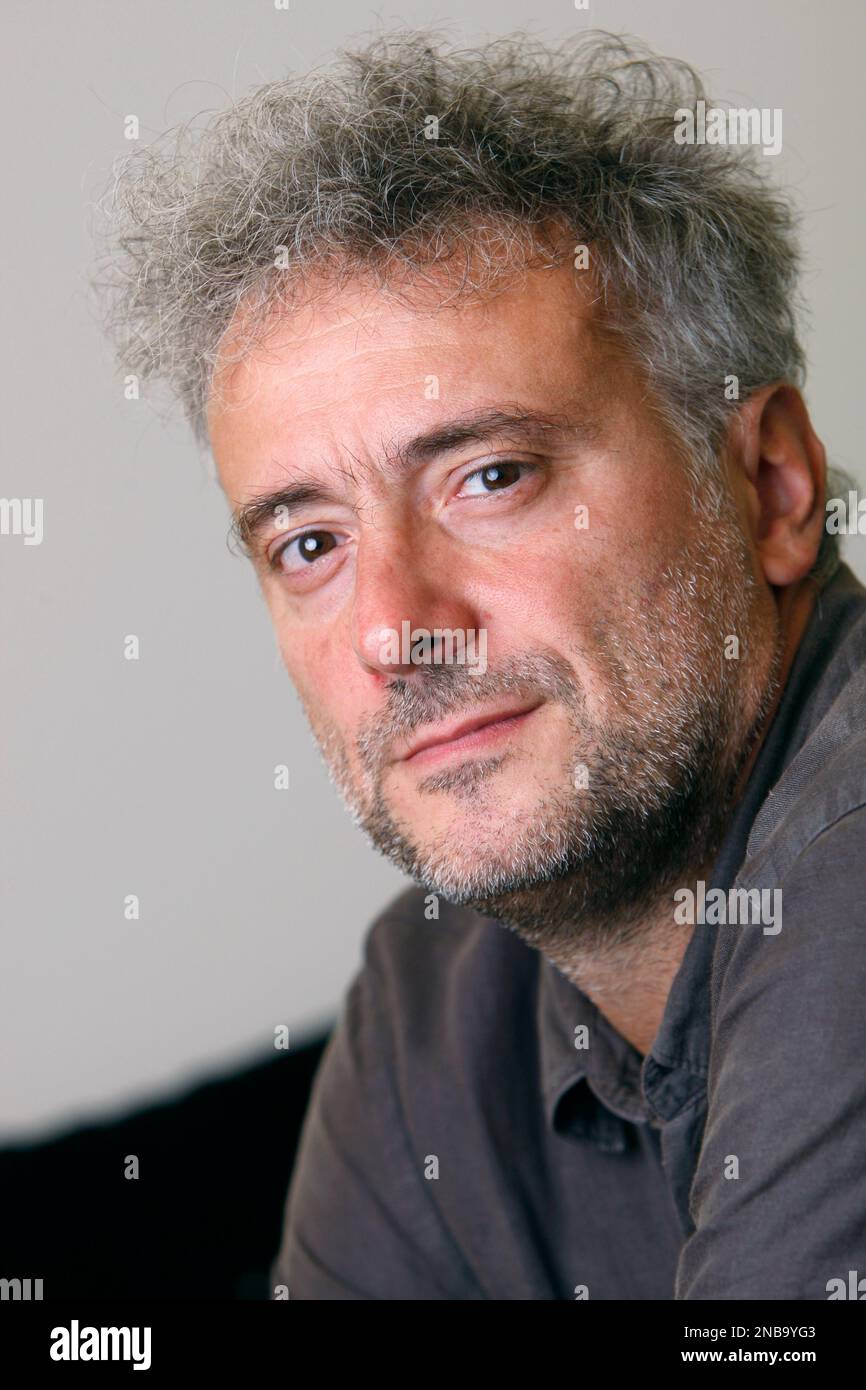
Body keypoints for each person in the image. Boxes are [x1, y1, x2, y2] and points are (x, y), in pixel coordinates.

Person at [97, 29, 866, 1299]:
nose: (394, 629)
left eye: (490, 476)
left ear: (767, 482)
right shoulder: (431, 1005)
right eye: (308, 543)